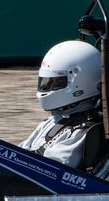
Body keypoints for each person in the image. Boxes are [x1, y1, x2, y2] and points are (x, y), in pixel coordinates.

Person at [19, 40, 104, 170]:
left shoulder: (82, 130)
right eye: (45, 83)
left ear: (81, 82)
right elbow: (20, 151)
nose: (47, 88)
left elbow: (54, 171)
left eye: (55, 82)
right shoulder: (53, 120)